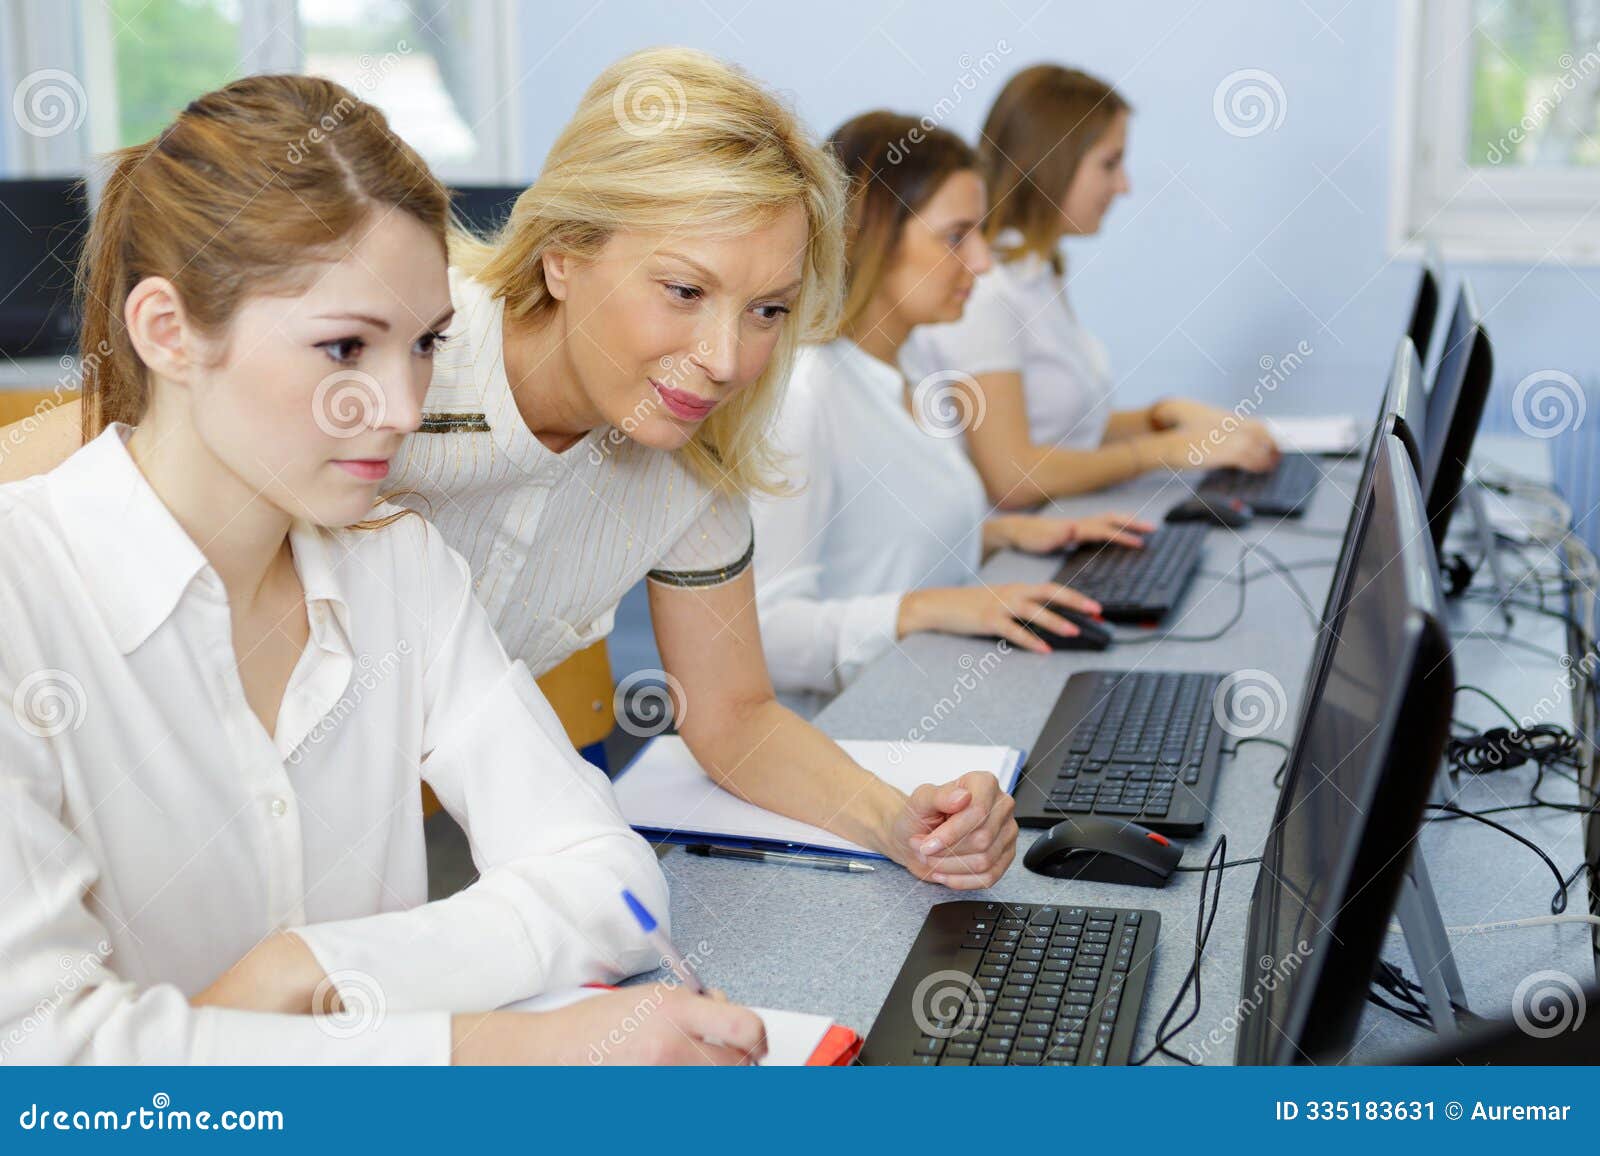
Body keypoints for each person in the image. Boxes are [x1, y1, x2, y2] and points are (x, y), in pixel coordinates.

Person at [0, 48, 1018, 888]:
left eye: (768, 310)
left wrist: (898, 822)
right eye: (682, 290)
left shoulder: (690, 459)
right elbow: (84, 459)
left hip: (394, 822)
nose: (725, 358)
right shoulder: (402, 347)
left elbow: (734, 715)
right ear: (561, 254)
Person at [0, 75, 764, 1066]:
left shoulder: (400, 568)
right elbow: (44, 1062)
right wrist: (498, 1049)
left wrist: (309, 967)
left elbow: (609, 882)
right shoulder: (23, 600)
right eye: (345, 346)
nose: (403, 407)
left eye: (425, 344)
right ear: (167, 331)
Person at [752, 112, 1152, 715]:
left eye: (981, 233)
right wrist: (926, 609)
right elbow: (760, 634)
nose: (983, 262)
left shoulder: (911, 364)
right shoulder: (805, 392)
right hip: (846, 726)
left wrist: (999, 535)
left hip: (928, 689)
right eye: (957, 236)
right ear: (869, 235)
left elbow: (869, 543)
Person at [901, 65, 1279, 508]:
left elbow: (1069, 433)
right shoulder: (986, 292)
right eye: (1109, 164)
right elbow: (1013, 478)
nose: (1123, 185)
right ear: (1053, 163)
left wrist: (1164, 416)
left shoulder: (1036, 274)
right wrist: (1166, 450)